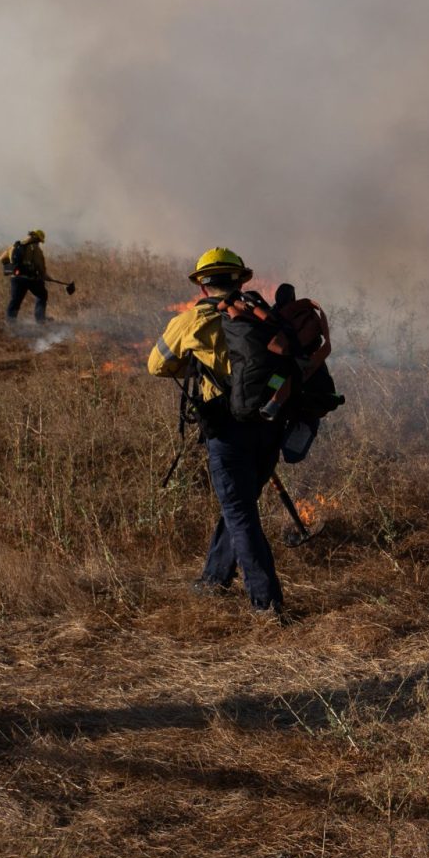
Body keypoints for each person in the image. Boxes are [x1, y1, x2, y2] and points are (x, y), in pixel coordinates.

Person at [146, 247, 287, 621]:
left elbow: (156, 365)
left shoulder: (190, 321)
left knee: (239, 513)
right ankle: (214, 579)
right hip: (270, 425)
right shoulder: (263, 315)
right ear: (240, 280)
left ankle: (266, 603)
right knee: (239, 504)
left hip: (227, 430)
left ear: (203, 285)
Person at [0, 229, 48, 323]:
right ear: (36, 238)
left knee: (15, 300)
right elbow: (40, 266)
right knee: (42, 295)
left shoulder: (15, 246)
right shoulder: (35, 248)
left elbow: (2, 259)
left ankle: (10, 323)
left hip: (16, 278)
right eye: (39, 241)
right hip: (30, 279)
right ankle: (40, 320)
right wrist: (43, 276)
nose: (39, 243)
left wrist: (13, 267)